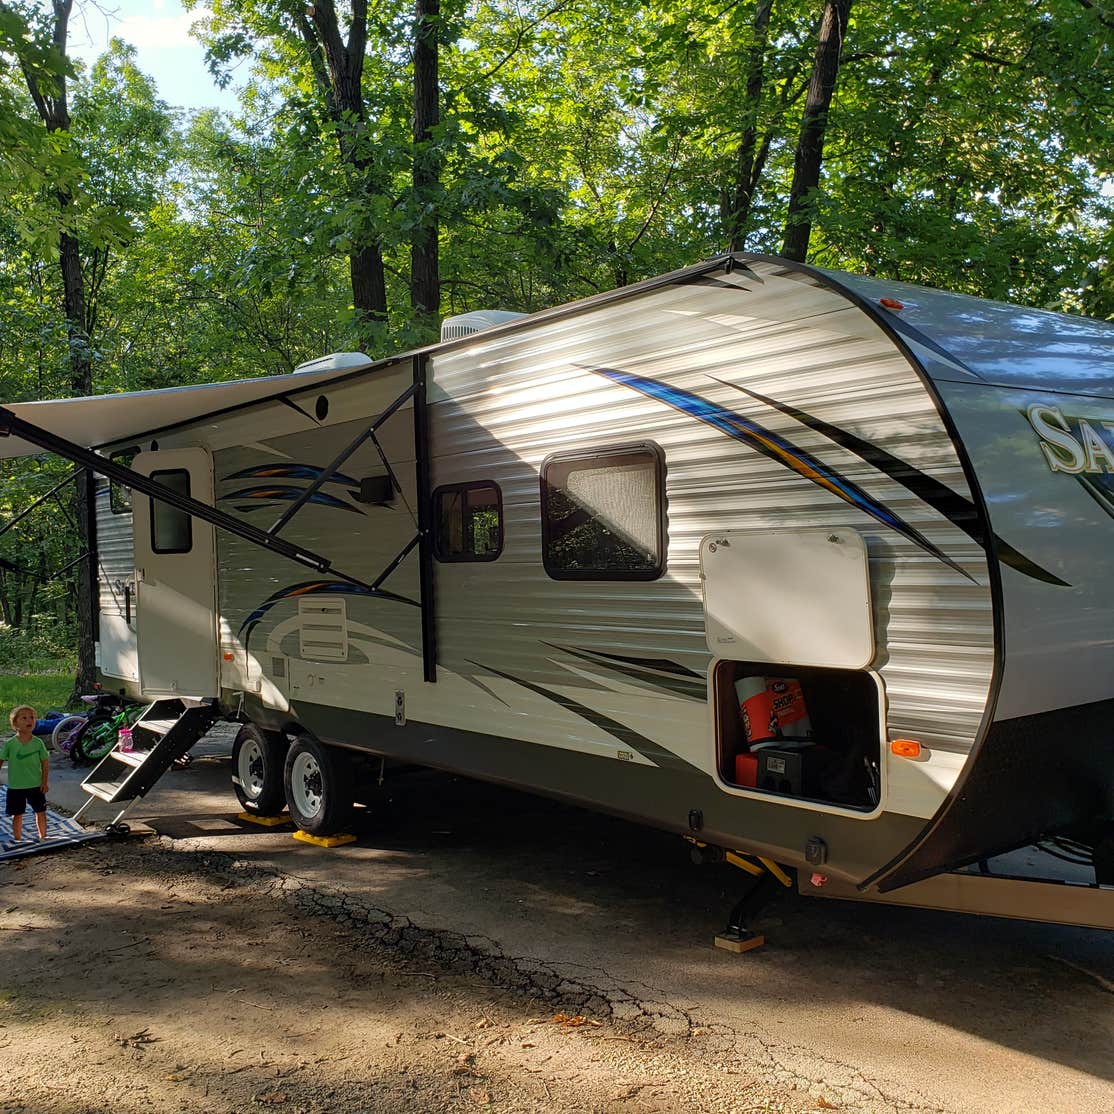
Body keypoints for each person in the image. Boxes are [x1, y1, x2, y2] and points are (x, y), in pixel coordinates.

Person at [2, 705, 50, 841]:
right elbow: (1, 759)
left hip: (36, 785)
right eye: (24, 718)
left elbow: (45, 763)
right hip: (16, 787)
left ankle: (43, 836)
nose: (29, 720)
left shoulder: (38, 743)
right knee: (17, 814)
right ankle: (17, 839)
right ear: (15, 723)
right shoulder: (10, 744)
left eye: (32, 717)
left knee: (40, 811)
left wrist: (44, 782)